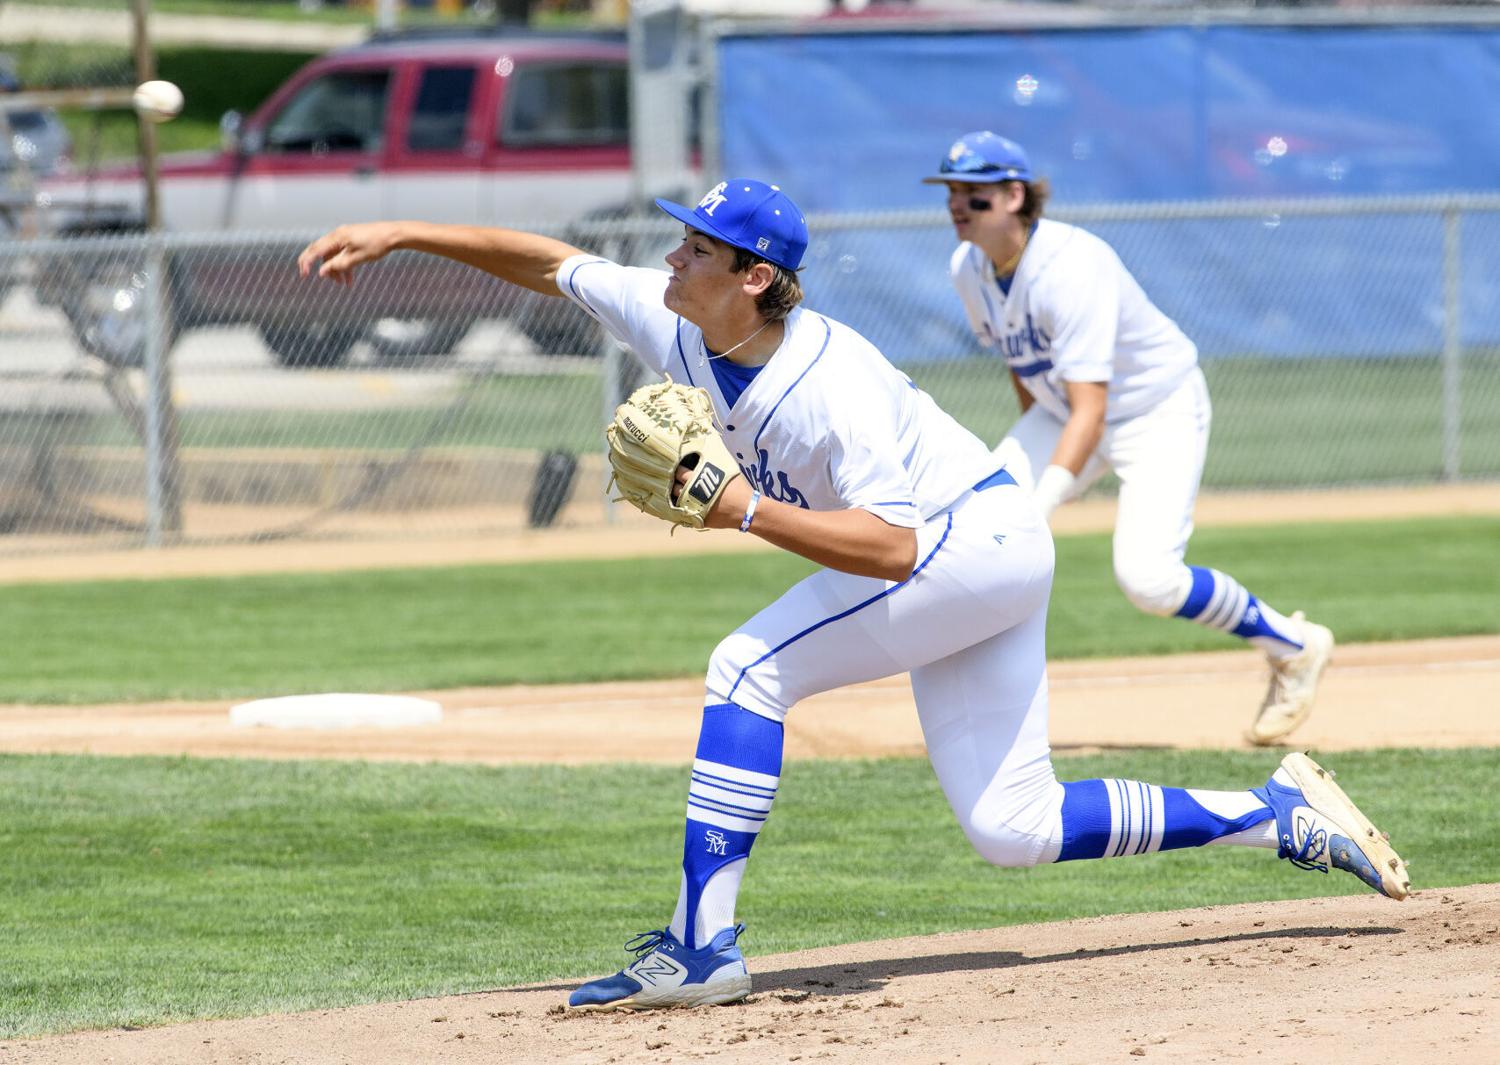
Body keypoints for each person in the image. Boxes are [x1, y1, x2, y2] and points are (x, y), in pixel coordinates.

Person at [296, 179, 1409, 1012]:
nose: (673, 257)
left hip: (967, 545)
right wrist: (404, 232)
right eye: (682, 239)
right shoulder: (677, 313)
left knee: (748, 666)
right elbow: (551, 264)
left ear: (757, 279)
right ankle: (1276, 817)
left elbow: (884, 550)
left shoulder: (829, 385)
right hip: (980, 551)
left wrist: (737, 509)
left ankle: (699, 946)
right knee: (1012, 829)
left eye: (700, 247)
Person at [923, 131, 1334, 747]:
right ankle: (978, 703)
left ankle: (1295, 646)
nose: (958, 205)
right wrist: (1035, 451)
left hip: (1154, 410)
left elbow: (1095, 407)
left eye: (974, 194)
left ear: (1014, 195)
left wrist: (1046, 499)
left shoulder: (1071, 266)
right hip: (1065, 411)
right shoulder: (969, 268)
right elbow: (1023, 363)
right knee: (979, 520)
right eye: (952, 192)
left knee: (1149, 581)